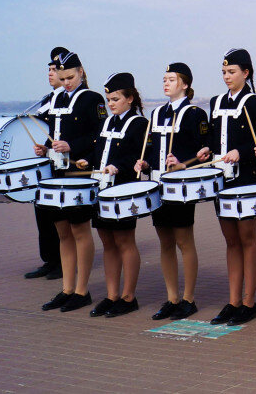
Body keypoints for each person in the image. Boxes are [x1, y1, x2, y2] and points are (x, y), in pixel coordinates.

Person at [134, 62, 211, 320]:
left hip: (181, 188)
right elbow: (152, 148)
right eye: (164, 79)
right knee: (164, 241)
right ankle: (171, 298)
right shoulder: (156, 114)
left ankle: (188, 298)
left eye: (171, 79)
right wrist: (145, 164)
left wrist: (182, 164)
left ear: (185, 84)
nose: (166, 83)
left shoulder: (195, 114)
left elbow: (204, 154)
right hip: (158, 186)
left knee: (183, 241)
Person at [35, 51, 107, 313]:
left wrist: (72, 146)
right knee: (62, 232)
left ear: (81, 72)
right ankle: (67, 289)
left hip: (79, 172)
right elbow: (54, 132)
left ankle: (82, 290)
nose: (66, 82)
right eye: (62, 77)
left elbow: (100, 134)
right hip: (56, 172)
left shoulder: (92, 99)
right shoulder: (56, 99)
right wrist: (45, 147)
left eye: (70, 77)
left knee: (79, 230)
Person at [208, 48, 256, 326]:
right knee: (230, 240)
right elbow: (214, 139)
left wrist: (241, 151)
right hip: (222, 179)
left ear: (246, 73)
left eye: (232, 72)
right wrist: (206, 150)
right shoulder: (215, 101)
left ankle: (249, 301)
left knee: (247, 238)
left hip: (248, 177)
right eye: (224, 72)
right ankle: (233, 300)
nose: (227, 76)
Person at [85, 72, 149, 317]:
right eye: (108, 99)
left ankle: (128, 296)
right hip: (102, 189)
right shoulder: (107, 123)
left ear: (129, 98)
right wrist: (84, 161)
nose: (110, 103)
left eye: (115, 99)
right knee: (108, 243)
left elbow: (136, 156)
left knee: (124, 242)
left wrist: (118, 166)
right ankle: (111, 295)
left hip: (123, 191)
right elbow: (98, 153)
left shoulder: (139, 123)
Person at [26, 46, 67, 281]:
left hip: (63, 166)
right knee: (42, 212)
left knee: (60, 216)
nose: (50, 73)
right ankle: (50, 260)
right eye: (49, 69)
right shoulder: (47, 100)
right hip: (46, 165)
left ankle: (63, 262)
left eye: (55, 69)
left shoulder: (76, 99)